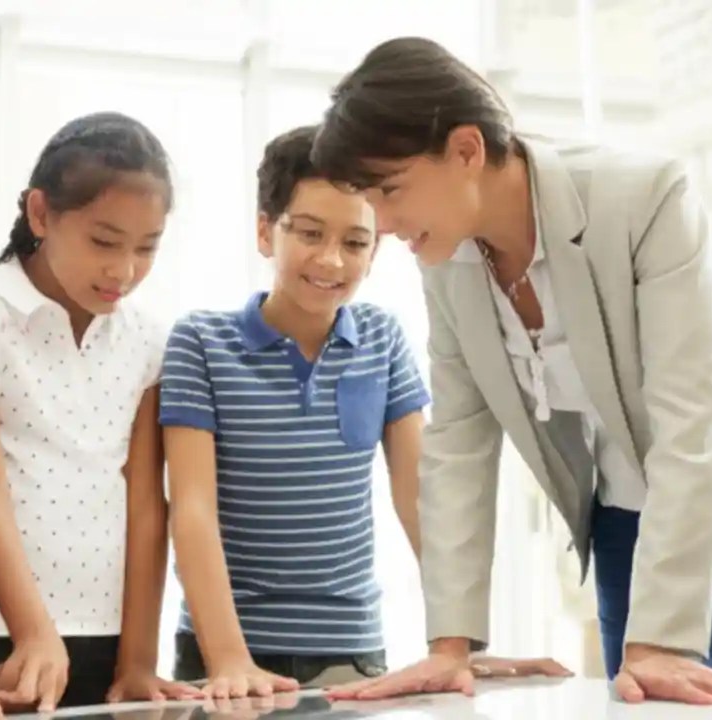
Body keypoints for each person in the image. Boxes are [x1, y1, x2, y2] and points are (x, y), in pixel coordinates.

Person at [310, 36, 712, 702]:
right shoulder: (446, 256)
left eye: (391, 189)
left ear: (466, 150)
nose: (384, 220)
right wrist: (449, 643)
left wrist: (657, 639)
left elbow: (695, 418)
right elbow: (457, 442)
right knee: (639, 707)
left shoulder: (644, 197)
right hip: (625, 514)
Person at [160, 125, 569, 699]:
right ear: (264, 231)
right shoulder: (201, 343)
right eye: (309, 233)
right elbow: (193, 511)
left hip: (351, 654)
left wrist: (460, 644)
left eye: (355, 243)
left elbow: (420, 496)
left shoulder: (381, 338)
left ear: (377, 248)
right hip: (224, 654)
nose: (331, 260)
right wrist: (229, 659)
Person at [0, 112, 197, 711]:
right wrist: (34, 633)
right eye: (104, 241)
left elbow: (146, 505)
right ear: (40, 214)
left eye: (146, 248)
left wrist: (139, 661)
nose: (123, 271)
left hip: (108, 636)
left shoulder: (148, 341)